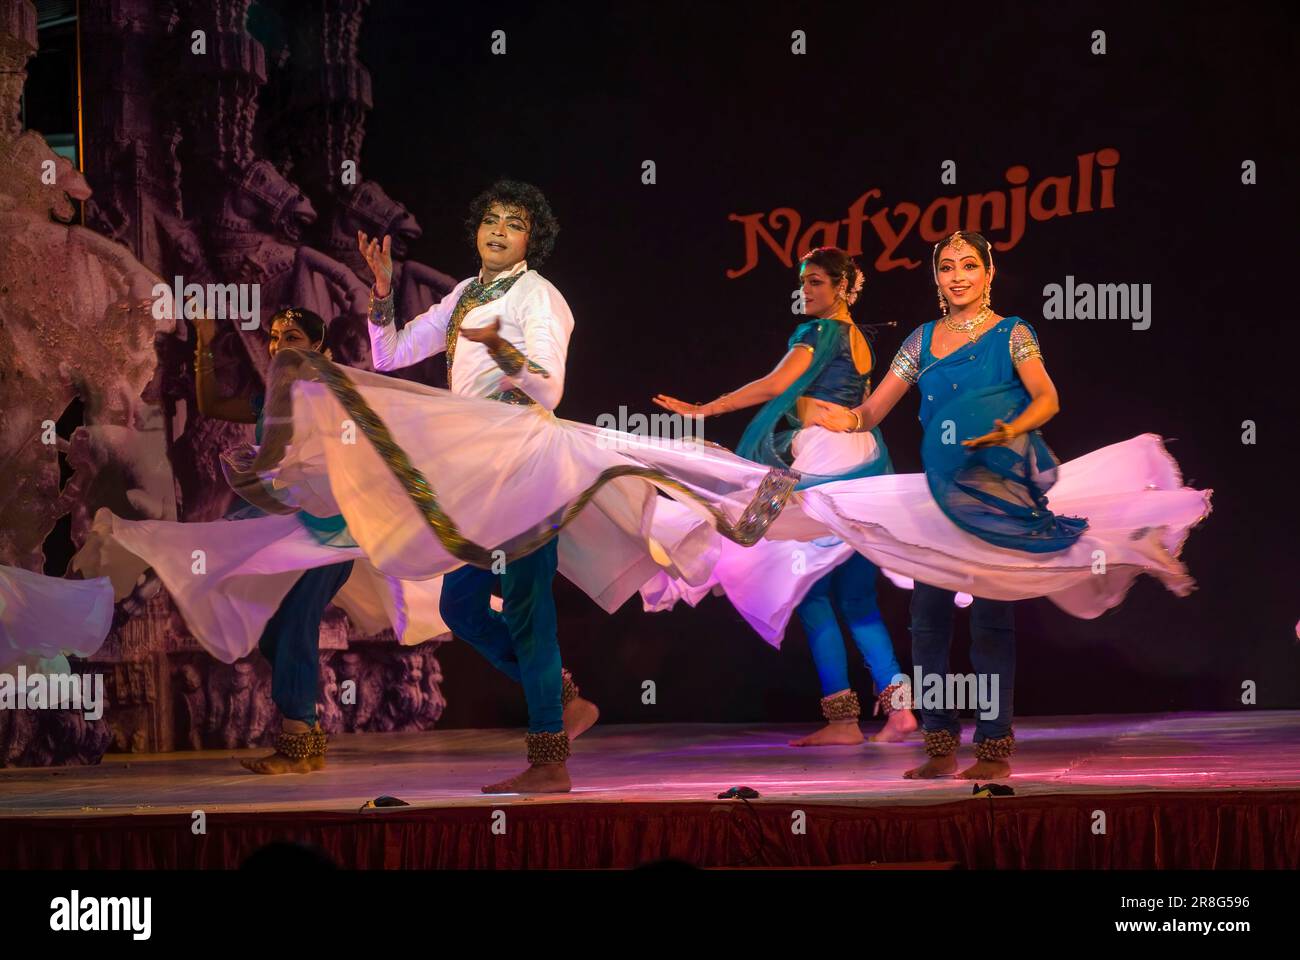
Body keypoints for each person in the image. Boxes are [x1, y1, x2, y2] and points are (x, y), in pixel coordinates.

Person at [801, 230, 1211, 779]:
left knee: (992, 623)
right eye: (947, 267)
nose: (958, 276)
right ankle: (940, 745)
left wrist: (1011, 428)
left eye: (969, 265)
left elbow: (1047, 398)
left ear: (988, 273)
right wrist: (843, 419)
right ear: (937, 276)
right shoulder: (920, 341)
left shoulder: (1012, 333)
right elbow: (872, 412)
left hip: (997, 496)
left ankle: (993, 748)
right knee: (927, 625)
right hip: (939, 500)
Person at [648, 248, 917, 745]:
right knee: (857, 599)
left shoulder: (817, 332)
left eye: (815, 282)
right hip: (863, 462)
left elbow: (776, 384)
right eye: (803, 282)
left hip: (822, 462)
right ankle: (900, 709)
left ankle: (842, 721)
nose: (805, 291)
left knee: (808, 591)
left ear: (842, 286)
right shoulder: (860, 340)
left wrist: (709, 408)